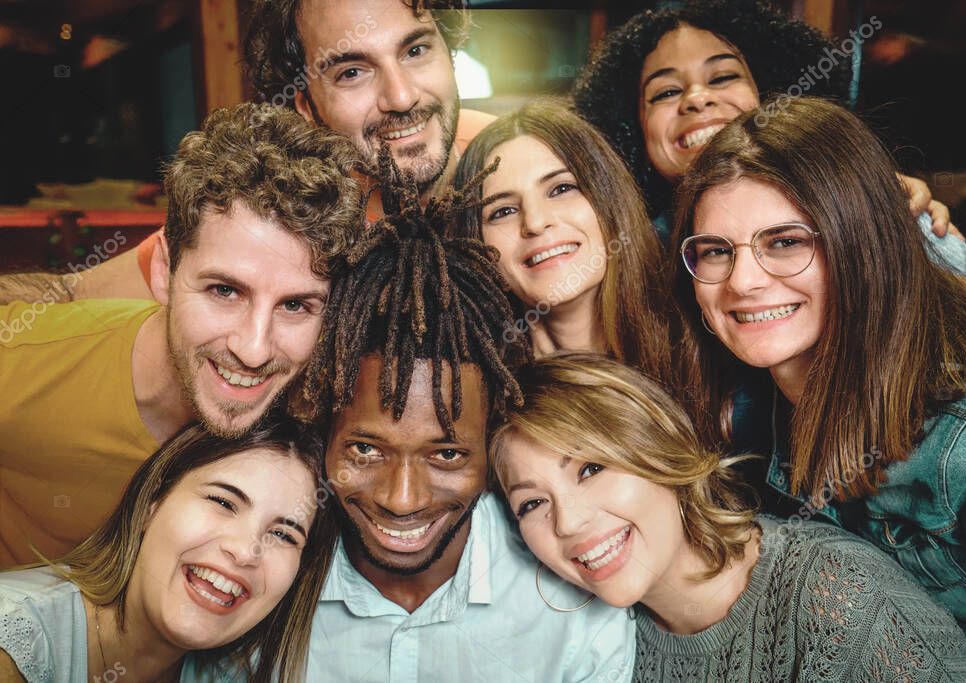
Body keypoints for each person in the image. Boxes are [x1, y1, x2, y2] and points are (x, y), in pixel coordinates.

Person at [672, 96, 966, 680]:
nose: (743, 281)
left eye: (785, 241)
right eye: (715, 251)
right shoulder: (752, 402)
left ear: (858, 244)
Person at [287, 148, 635, 681]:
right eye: (365, 449)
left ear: (493, 441)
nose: (402, 499)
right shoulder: (261, 586)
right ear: (323, 432)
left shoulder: (577, 614)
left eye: (446, 454)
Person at [0, 103, 361, 568]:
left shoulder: (324, 419)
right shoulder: (31, 362)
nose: (253, 349)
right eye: (225, 290)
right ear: (163, 273)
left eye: (295, 305)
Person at [490, 352, 966, 682]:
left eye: (590, 468)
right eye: (532, 503)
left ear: (661, 449)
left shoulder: (834, 592)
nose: (569, 523)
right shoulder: (604, 653)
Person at [0, 0, 494, 305]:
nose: (402, 97)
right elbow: (74, 294)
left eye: (415, 50)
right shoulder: (293, 206)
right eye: (351, 72)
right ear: (307, 107)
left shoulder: (525, 163)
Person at [571, 2, 966, 283]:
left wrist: (927, 279)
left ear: (770, 94)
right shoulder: (626, 257)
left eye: (723, 76)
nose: (696, 98)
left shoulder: (869, 204)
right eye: (666, 92)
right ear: (633, 129)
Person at [0, 419, 340, 683]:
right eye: (222, 501)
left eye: (283, 534)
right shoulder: (14, 636)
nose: (246, 551)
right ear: (152, 501)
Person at [453, 100, 678, 391]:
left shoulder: (696, 353)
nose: (535, 222)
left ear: (609, 200)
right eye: (503, 211)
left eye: (561, 189)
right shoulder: (478, 398)